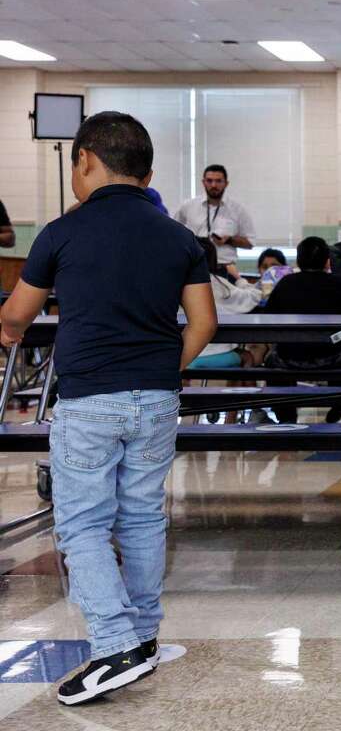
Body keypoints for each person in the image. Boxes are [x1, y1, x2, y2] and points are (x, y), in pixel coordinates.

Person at [0, 111, 217, 705]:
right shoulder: (178, 236)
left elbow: (17, 315)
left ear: (86, 161)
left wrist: (11, 330)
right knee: (142, 515)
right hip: (156, 399)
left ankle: (115, 642)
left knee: (83, 524)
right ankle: (143, 637)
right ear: (145, 173)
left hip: (89, 399)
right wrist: (162, 368)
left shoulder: (61, 233)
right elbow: (204, 322)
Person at [263, 236, 341, 423]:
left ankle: (286, 417)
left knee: (271, 361)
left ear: (298, 261)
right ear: (327, 261)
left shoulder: (286, 284)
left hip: (290, 356)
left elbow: (269, 320)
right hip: (334, 355)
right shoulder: (340, 284)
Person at [189, 237, 261, 369]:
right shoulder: (218, 284)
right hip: (214, 354)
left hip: (183, 355)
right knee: (248, 356)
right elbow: (254, 296)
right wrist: (238, 278)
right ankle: (243, 390)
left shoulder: (174, 285)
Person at [174, 165, 255, 266]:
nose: (213, 185)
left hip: (225, 268)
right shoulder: (188, 206)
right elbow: (173, 233)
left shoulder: (238, 209)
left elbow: (250, 243)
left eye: (218, 181)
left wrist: (229, 240)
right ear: (203, 182)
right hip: (194, 266)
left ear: (226, 183)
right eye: (209, 180)